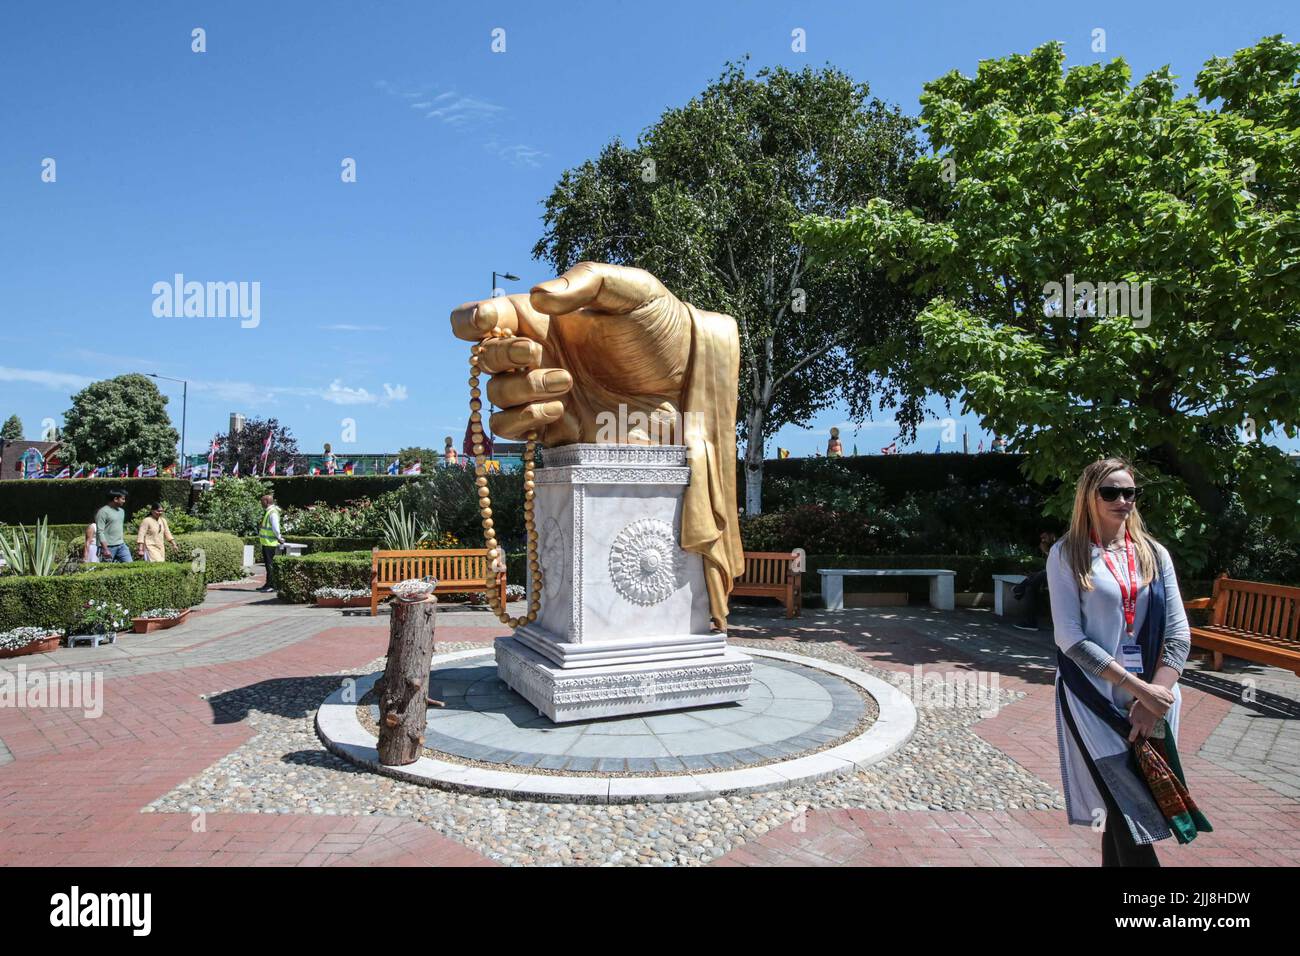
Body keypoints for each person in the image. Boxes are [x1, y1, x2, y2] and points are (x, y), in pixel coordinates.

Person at [1048, 457, 1211, 867]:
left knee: (1125, 804)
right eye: (1111, 492)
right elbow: (1070, 638)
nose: (1122, 500)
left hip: (1156, 697)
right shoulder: (1068, 554)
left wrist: (1156, 694)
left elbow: (1179, 632)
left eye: (1129, 492)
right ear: (1089, 496)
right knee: (1124, 806)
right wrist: (1139, 691)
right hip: (1093, 700)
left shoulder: (1154, 553)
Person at [1012, 530, 1057, 631]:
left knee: (1040, 575)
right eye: (1041, 538)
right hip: (1050, 578)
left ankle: (1018, 590)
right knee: (1030, 587)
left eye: (1044, 537)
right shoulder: (1051, 546)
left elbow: (1057, 565)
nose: (1043, 540)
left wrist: (1046, 552)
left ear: (1052, 535)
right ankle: (1030, 623)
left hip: (1059, 578)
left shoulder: (1060, 546)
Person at [257, 492, 285, 592]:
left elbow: (275, 528)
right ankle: (268, 584)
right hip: (267, 542)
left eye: (262, 501)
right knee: (268, 565)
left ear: (267, 501)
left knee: (270, 565)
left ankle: (271, 585)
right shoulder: (270, 511)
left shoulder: (272, 512)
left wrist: (279, 538)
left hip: (270, 543)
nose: (260, 503)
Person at [95, 489, 132, 563]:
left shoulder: (122, 511)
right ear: (115, 499)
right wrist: (105, 549)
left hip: (121, 545)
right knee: (106, 570)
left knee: (130, 565)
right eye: (123, 499)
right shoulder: (103, 512)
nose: (124, 501)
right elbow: (100, 531)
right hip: (108, 547)